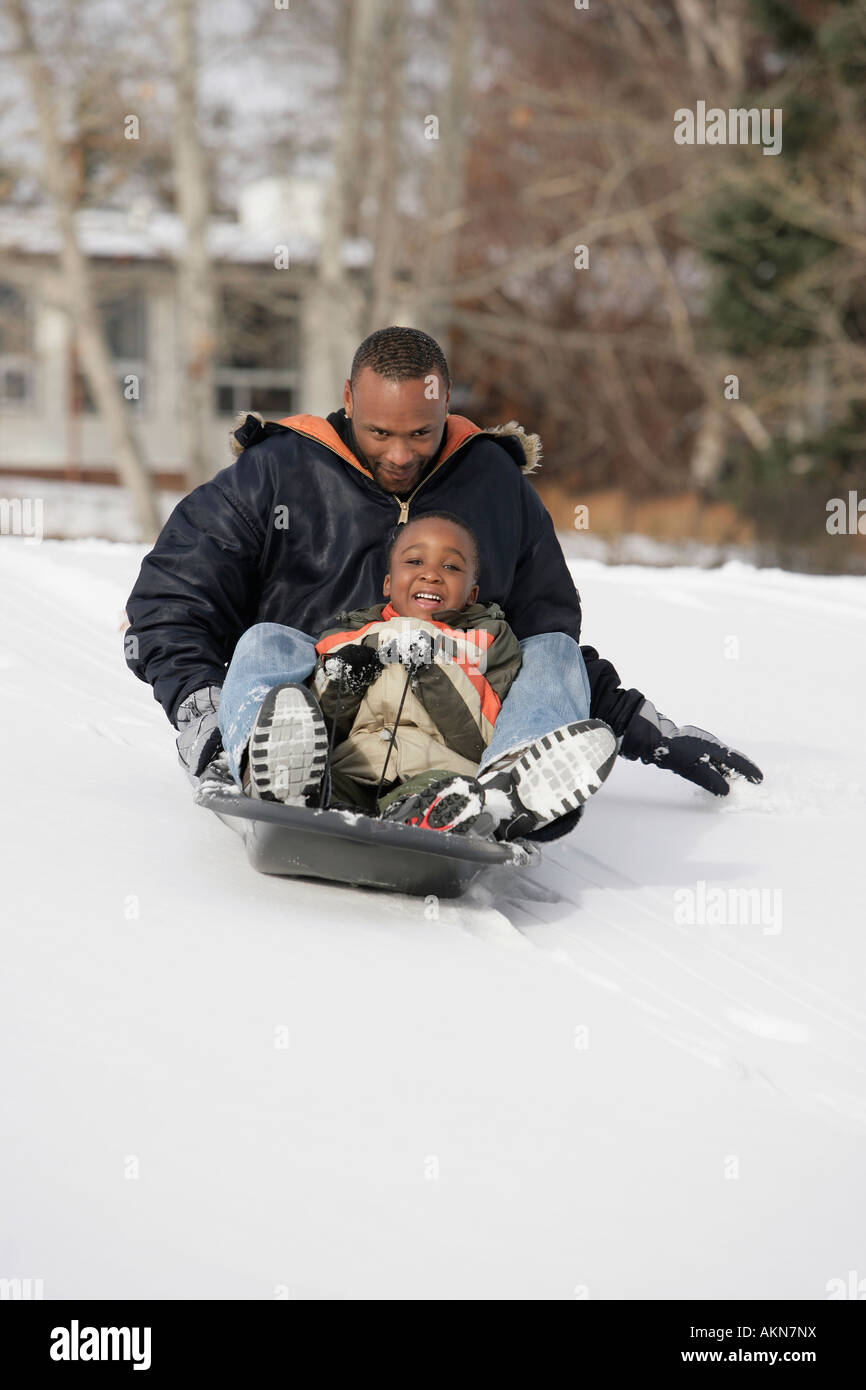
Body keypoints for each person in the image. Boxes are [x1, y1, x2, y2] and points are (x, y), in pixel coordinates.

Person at [124, 326, 762, 844]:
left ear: (445, 405)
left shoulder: (493, 484)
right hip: (321, 706)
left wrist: (644, 726)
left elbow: (539, 644)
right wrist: (201, 712)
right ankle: (272, 763)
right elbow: (169, 605)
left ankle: (500, 791)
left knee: (555, 652)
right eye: (379, 432)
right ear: (349, 398)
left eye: (419, 433)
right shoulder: (275, 473)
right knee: (266, 640)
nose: (399, 454)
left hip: (451, 727)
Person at [240, 511, 618, 839]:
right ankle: (288, 788)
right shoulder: (348, 635)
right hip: (351, 768)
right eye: (414, 562)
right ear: (388, 584)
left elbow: (479, 735)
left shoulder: (487, 642)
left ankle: (449, 815)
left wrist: (432, 672)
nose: (432, 575)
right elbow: (323, 721)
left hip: (440, 771)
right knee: (322, 778)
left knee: (444, 794)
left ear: (471, 594)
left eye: (451, 567)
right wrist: (345, 682)